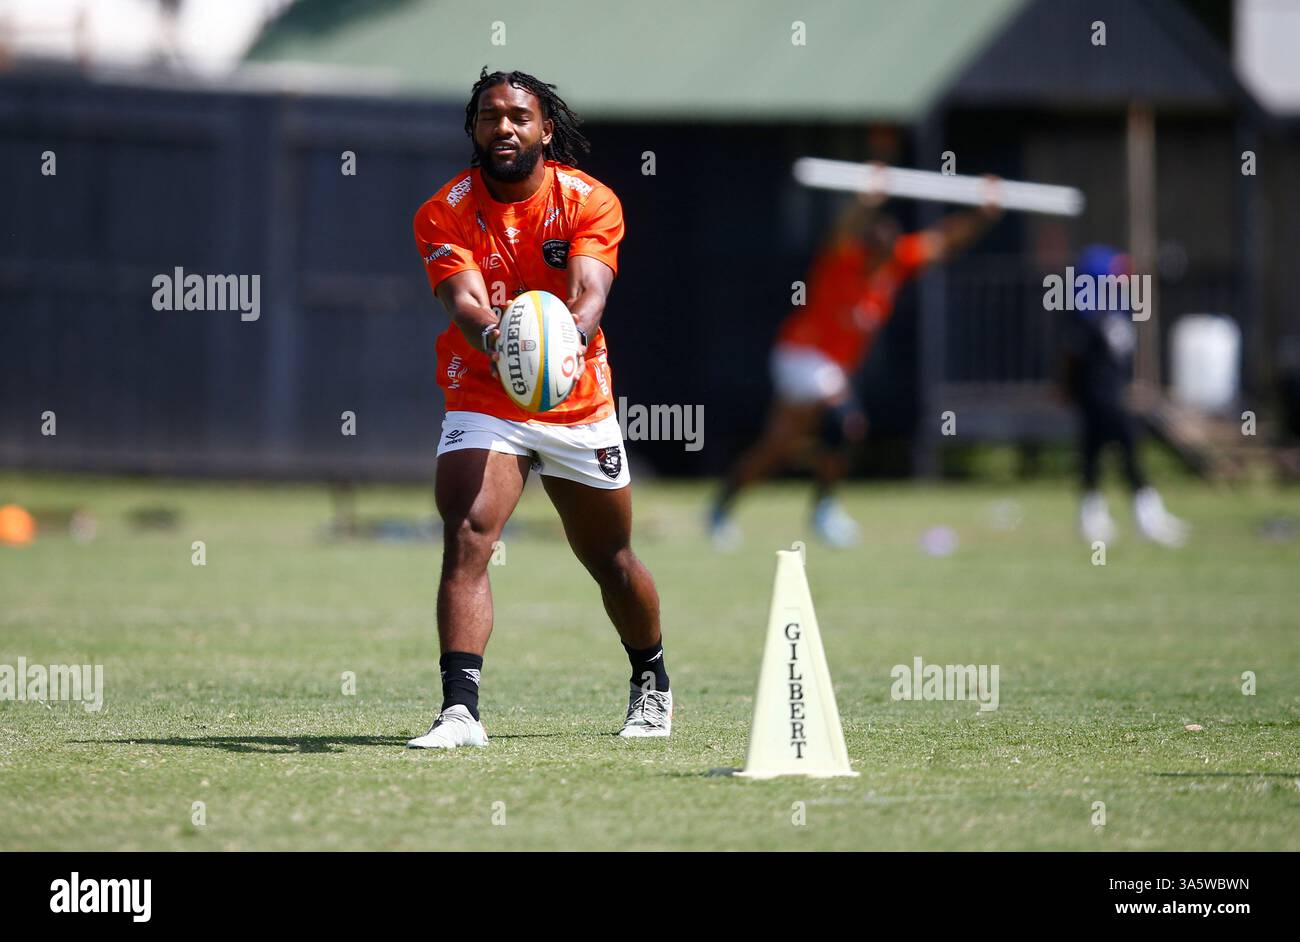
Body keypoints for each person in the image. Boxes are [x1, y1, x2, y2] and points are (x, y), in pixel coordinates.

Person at [407, 68, 670, 749]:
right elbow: (464, 303)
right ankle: (460, 712)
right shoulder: (445, 210)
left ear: (545, 129)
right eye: (490, 117)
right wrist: (499, 339)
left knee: (610, 558)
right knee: (468, 532)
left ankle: (652, 682)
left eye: (519, 117)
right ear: (473, 129)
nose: (505, 128)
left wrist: (562, 344)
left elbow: (589, 295)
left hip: (577, 398)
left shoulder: (590, 200)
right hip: (485, 389)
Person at [709, 175, 1002, 548]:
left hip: (829, 368)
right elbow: (843, 228)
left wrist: (983, 214)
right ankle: (824, 509)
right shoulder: (843, 261)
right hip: (802, 356)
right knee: (847, 423)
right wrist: (865, 202)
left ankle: (722, 506)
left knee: (779, 446)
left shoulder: (895, 265)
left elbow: (944, 241)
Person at [1061, 245, 1189, 547]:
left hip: (1112, 389)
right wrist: (1066, 388)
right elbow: (1072, 354)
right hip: (1094, 392)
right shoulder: (1086, 311)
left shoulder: (1117, 305)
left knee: (1094, 449)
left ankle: (1094, 514)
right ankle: (1144, 513)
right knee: (1126, 439)